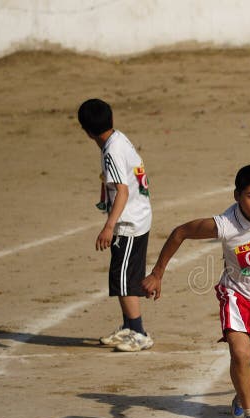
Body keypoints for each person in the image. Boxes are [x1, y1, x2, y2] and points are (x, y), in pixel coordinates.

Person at [141, 165, 250, 418]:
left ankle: (240, 396)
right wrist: (157, 273)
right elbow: (180, 232)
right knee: (240, 354)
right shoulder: (225, 224)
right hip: (237, 296)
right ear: (237, 196)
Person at [78, 99, 154, 352]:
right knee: (124, 276)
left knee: (124, 280)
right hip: (139, 215)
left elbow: (121, 191)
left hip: (128, 222)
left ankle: (139, 332)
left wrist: (110, 226)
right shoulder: (119, 139)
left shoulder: (110, 150)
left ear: (86, 131)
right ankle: (129, 326)